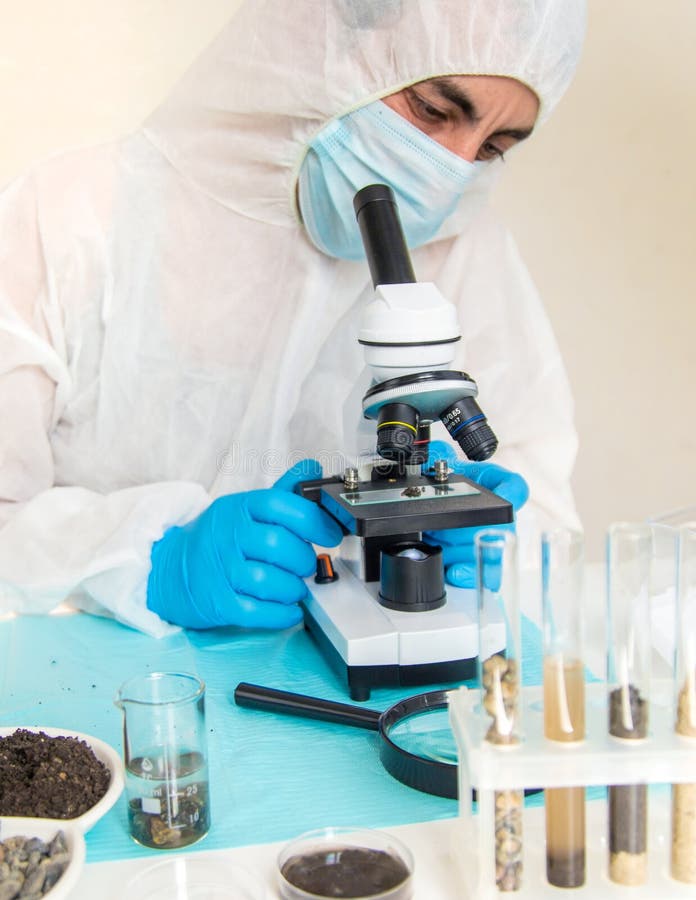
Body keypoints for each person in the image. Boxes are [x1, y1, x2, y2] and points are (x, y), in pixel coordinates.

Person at [0, 0, 585, 636]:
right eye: (433, 112)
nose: (449, 172)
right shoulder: (70, 216)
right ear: (325, 35)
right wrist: (139, 557)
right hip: (108, 695)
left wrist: (493, 539)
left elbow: (542, 496)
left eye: (493, 148)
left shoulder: (466, 245)